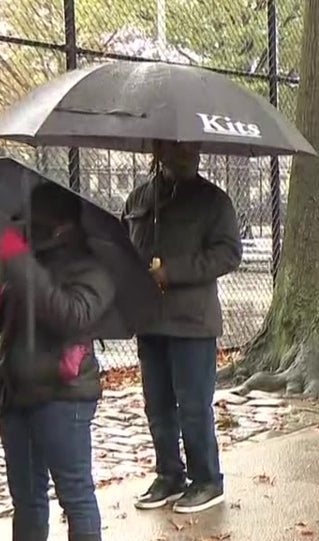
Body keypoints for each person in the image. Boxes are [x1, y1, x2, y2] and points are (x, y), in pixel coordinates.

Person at [0, 183, 117, 541]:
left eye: (32, 220)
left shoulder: (94, 269)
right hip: (16, 393)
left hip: (63, 398)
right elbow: (10, 321)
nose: (24, 227)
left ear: (59, 225)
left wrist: (21, 265)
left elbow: (71, 316)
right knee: (27, 499)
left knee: (74, 495)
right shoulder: (28, 259)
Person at [124, 141, 242, 514]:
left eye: (193, 148)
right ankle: (169, 475)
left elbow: (228, 253)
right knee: (157, 405)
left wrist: (172, 272)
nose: (189, 154)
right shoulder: (140, 199)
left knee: (193, 406)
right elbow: (122, 245)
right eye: (179, 148)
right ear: (159, 151)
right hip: (149, 320)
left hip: (192, 322)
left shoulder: (213, 201)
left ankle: (207, 479)